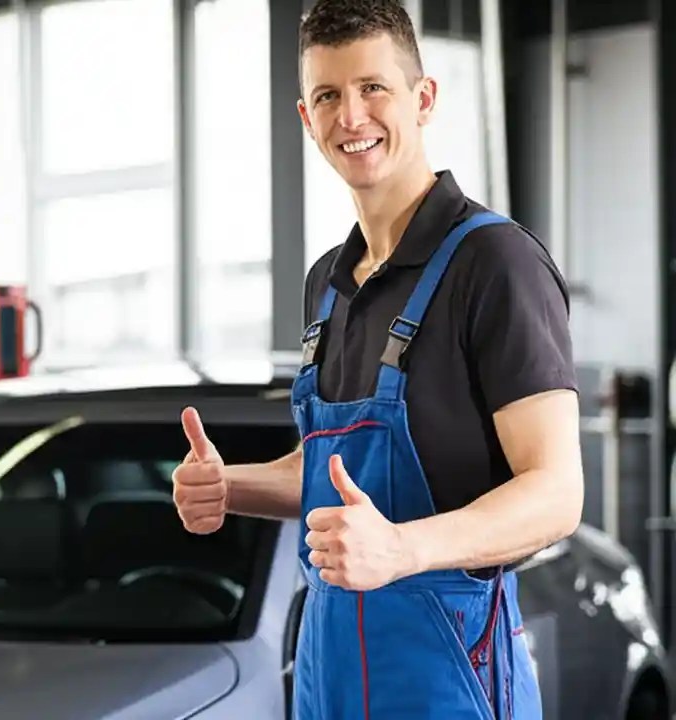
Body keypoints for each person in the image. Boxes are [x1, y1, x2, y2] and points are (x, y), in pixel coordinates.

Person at [172, 0, 584, 717]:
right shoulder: (329, 282)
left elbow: (556, 493)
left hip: (451, 675)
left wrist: (401, 550)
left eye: (373, 89)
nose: (351, 117)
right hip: (331, 676)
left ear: (423, 100)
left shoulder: (495, 263)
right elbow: (335, 474)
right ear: (306, 118)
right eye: (328, 96)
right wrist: (228, 486)